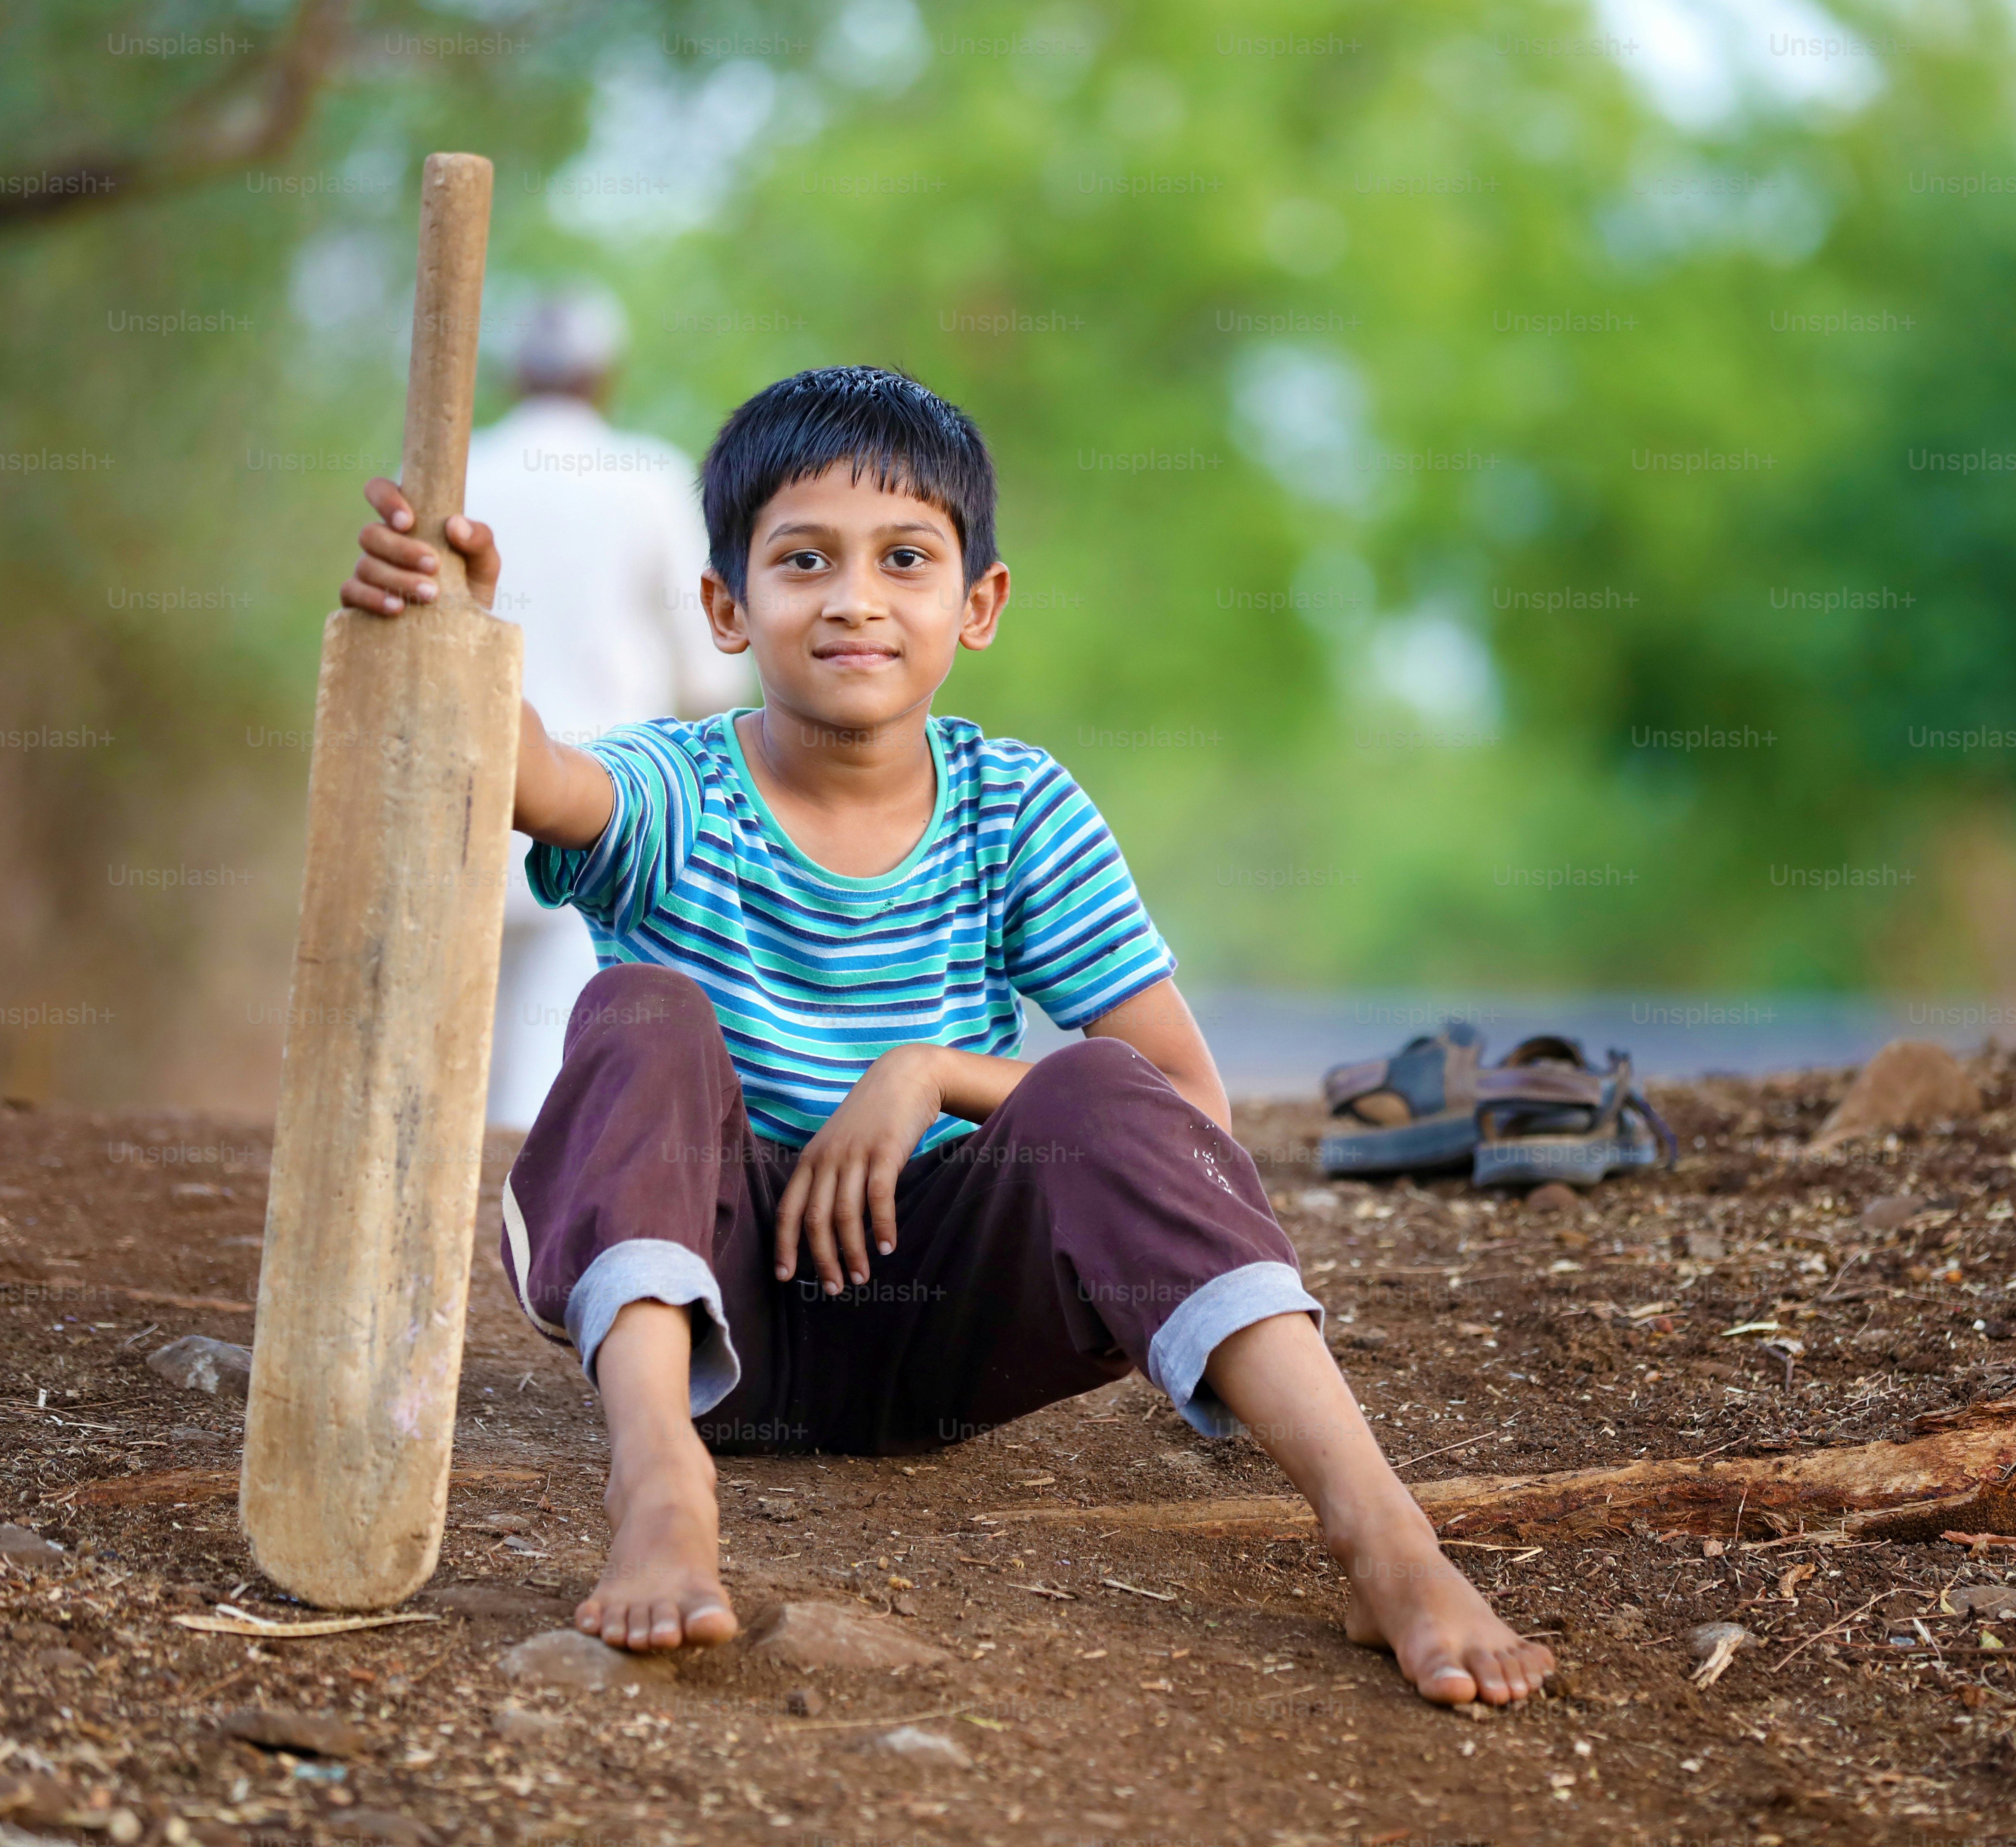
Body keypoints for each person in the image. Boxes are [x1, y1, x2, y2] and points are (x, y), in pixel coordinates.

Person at [340, 366, 1554, 1708]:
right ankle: (661, 1488)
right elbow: (534, 776)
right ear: (726, 608)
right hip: (709, 1335)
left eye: (904, 559)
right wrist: (456, 631)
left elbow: (1192, 1117)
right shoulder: (676, 790)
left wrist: (931, 1075)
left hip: (948, 1332)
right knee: (639, 1010)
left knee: (1101, 1083)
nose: (855, 598)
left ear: (976, 606)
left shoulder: (1017, 811)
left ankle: (1382, 1533)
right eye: (804, 561)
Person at [470, 289, 753, 1128]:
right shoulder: (649, 479)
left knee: (462, 1040)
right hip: (605, 798)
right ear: (606, 375)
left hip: (467, 781)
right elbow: (713, 675)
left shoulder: (460, 470)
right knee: (546, 1057)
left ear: (517, 371)